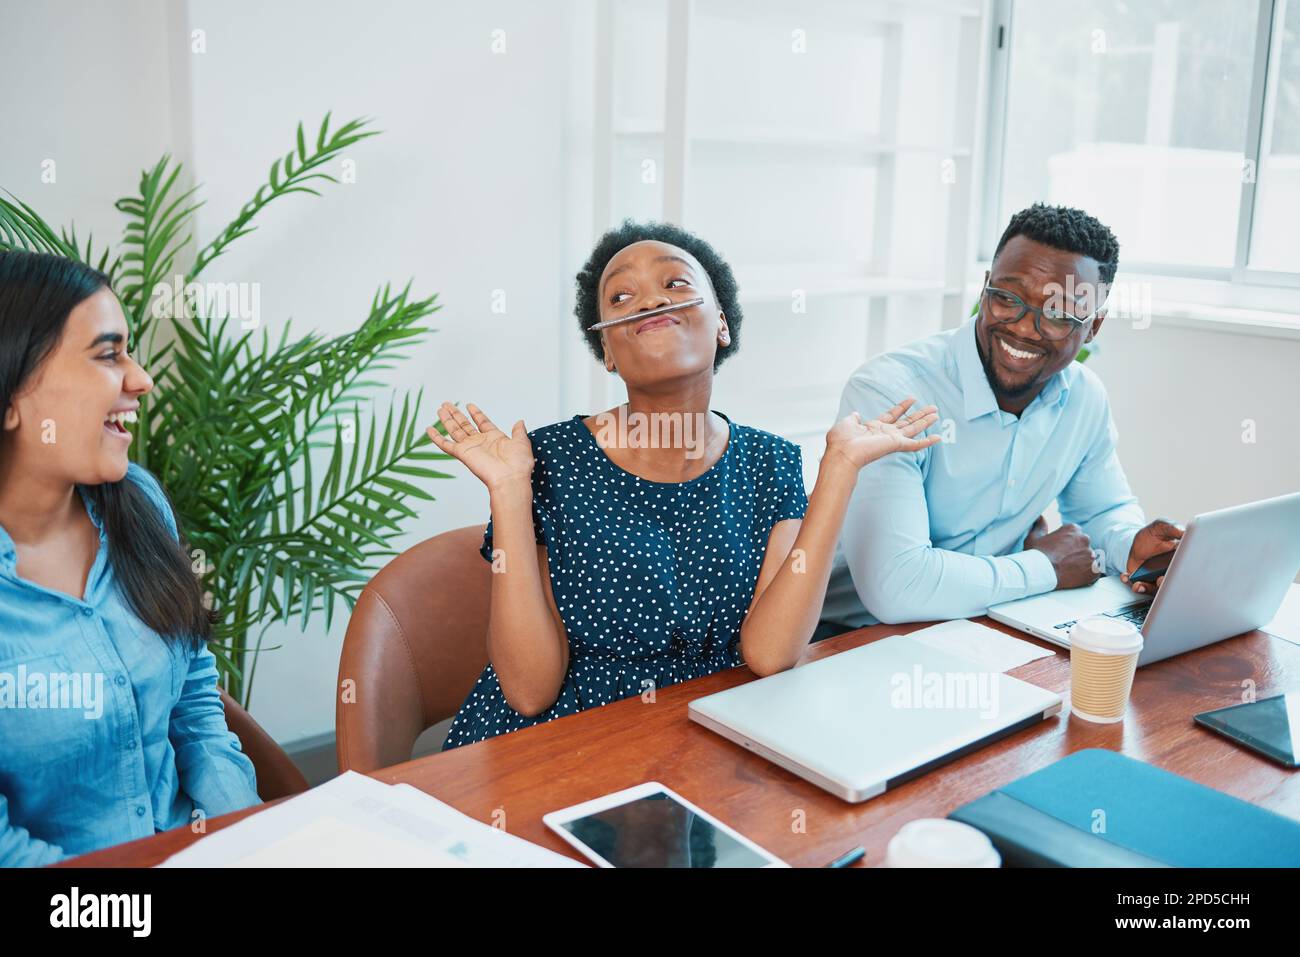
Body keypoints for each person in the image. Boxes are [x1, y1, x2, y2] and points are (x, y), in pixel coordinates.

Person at [428, 221, 940, 749]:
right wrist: (510, 490)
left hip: (706, 733)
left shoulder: (771, 461)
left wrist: (839, 469)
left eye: (674, 284)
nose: (649, 300)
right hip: (560, 741)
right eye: (622, 295)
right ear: (606, 349)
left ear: (721, 323)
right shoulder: (544, 461)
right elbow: (529, 692)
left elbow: (770, 654)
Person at [0, 250, 259, 866]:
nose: (140, 380)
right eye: (108, 354)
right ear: (10, 394)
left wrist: (248, 839)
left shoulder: (137, 502)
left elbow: (195, 705)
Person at [820, 203, 1182, 631]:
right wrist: (1044, 566)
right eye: (1007, 299)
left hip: (987, 624)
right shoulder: (892, 391)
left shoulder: (1084, 398)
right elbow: (897, 586)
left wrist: (1130, 545)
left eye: (1058, 314)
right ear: (985, 289)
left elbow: (1102, 510)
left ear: (1093, 327)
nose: (1025, 329)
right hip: (853, 640)